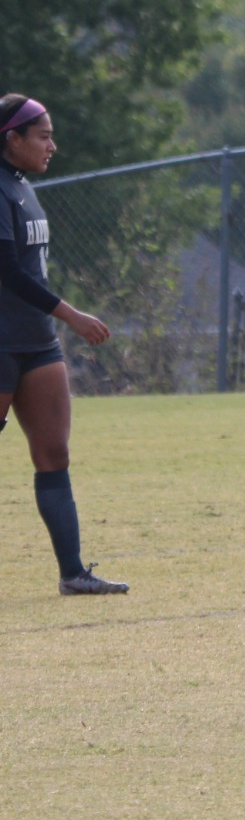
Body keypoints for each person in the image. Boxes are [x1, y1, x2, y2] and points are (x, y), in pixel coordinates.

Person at [0, 95, 121, 595]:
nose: (53, 144)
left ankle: (73, 573)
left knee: (54, 452)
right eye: (43, 135)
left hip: (37, 341)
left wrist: (55, 323)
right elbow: (7, 272)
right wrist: (69, 313)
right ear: (12, 139)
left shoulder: (24, 188)